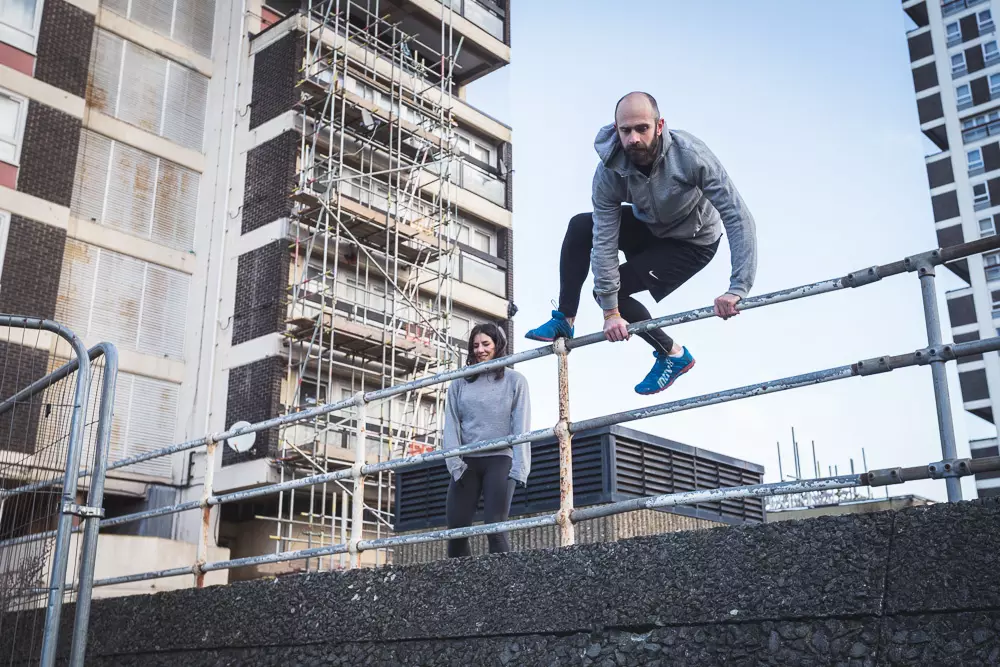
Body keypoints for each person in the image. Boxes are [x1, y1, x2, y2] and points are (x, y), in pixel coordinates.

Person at [526, 91, 758, 395]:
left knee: (611, 291)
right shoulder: (609, 171)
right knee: (581, 226)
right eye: (625, 131)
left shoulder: (690, 156)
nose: (633, 138)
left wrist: (737, 287)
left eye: (642, 129)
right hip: (650, 226)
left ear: (659, 125)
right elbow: (604, 238)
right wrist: (610, 312)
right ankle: (565, 320)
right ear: (616, 129)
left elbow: (737, 215)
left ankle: (673, 354)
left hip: (692, 242)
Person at [442, 323, 531, 558]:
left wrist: (520, 468)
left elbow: (522, 426)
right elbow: (451, 425)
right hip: (467, 462)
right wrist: (454, 464)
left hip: (500, 459)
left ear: (498, 346)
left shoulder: (515, 381)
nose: (480, 350)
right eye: (475, 345)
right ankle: (460, 588)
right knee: (456, 531)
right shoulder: (459, 383)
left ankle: (503, 590)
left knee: (495, 528)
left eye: (486, 344)